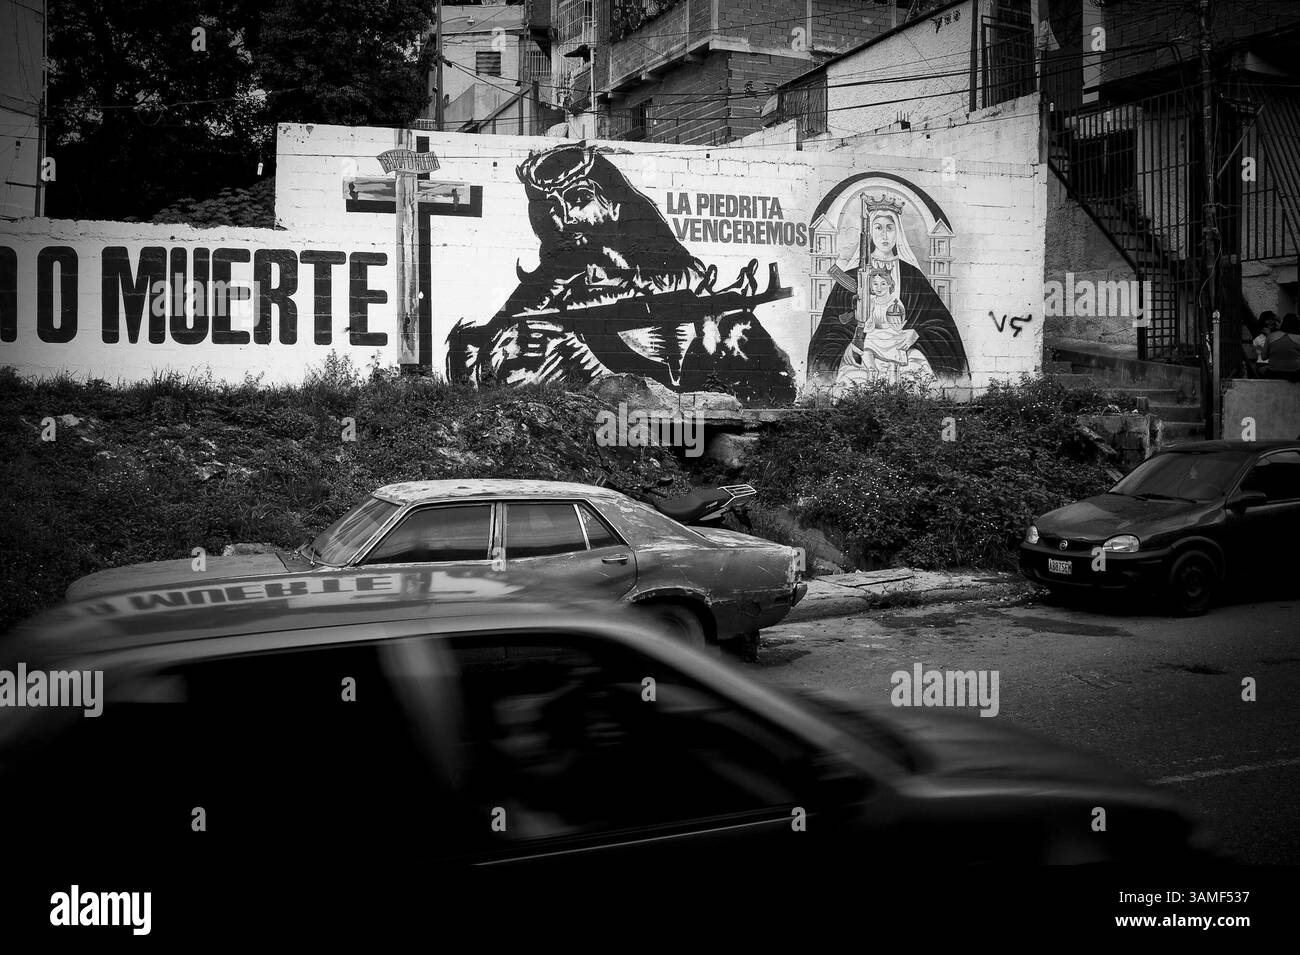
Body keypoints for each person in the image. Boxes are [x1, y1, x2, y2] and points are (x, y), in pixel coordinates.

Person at [1260, 313, 1300, 382]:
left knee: (1261, 370)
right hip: (1294, 374)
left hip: (1273, 373)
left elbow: (1263, 357)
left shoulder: (1271, 336)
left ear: (1283, 323)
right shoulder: (1298, 338)